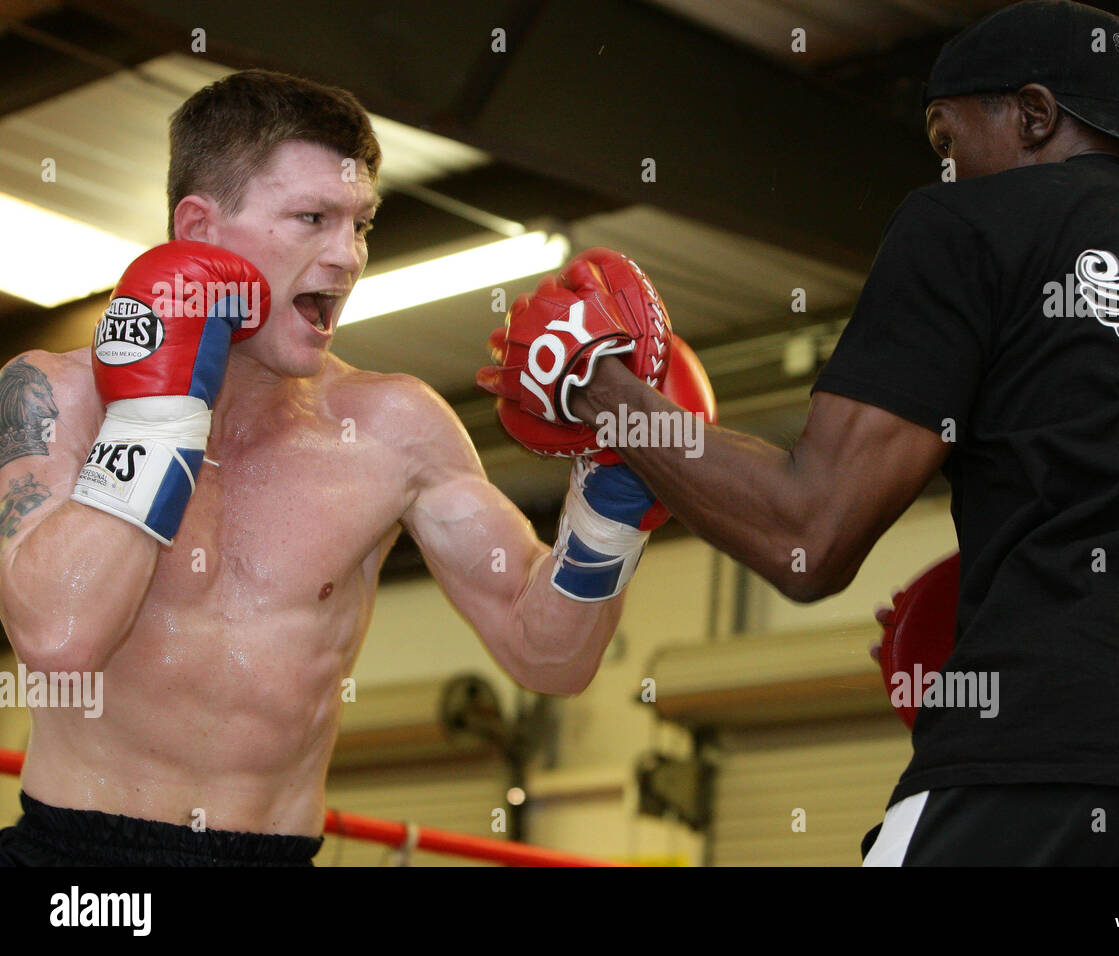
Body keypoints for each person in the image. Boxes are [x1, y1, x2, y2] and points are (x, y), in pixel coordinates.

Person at [488, 0, 1119, 864]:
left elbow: (810, 534)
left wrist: (598, 384)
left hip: (1046, 770)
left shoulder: (974, 223)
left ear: (1032, 114)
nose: (947, 173)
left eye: (950, 143)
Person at [0, 69, 707, 866]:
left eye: (361, 224)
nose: (347, 256)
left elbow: (553, 657)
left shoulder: (392, 427)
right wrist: (153, 416)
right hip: (73, 863)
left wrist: (609, 511)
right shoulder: (53, 395)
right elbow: (58, 636)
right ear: (197, 229)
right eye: (313, 218)